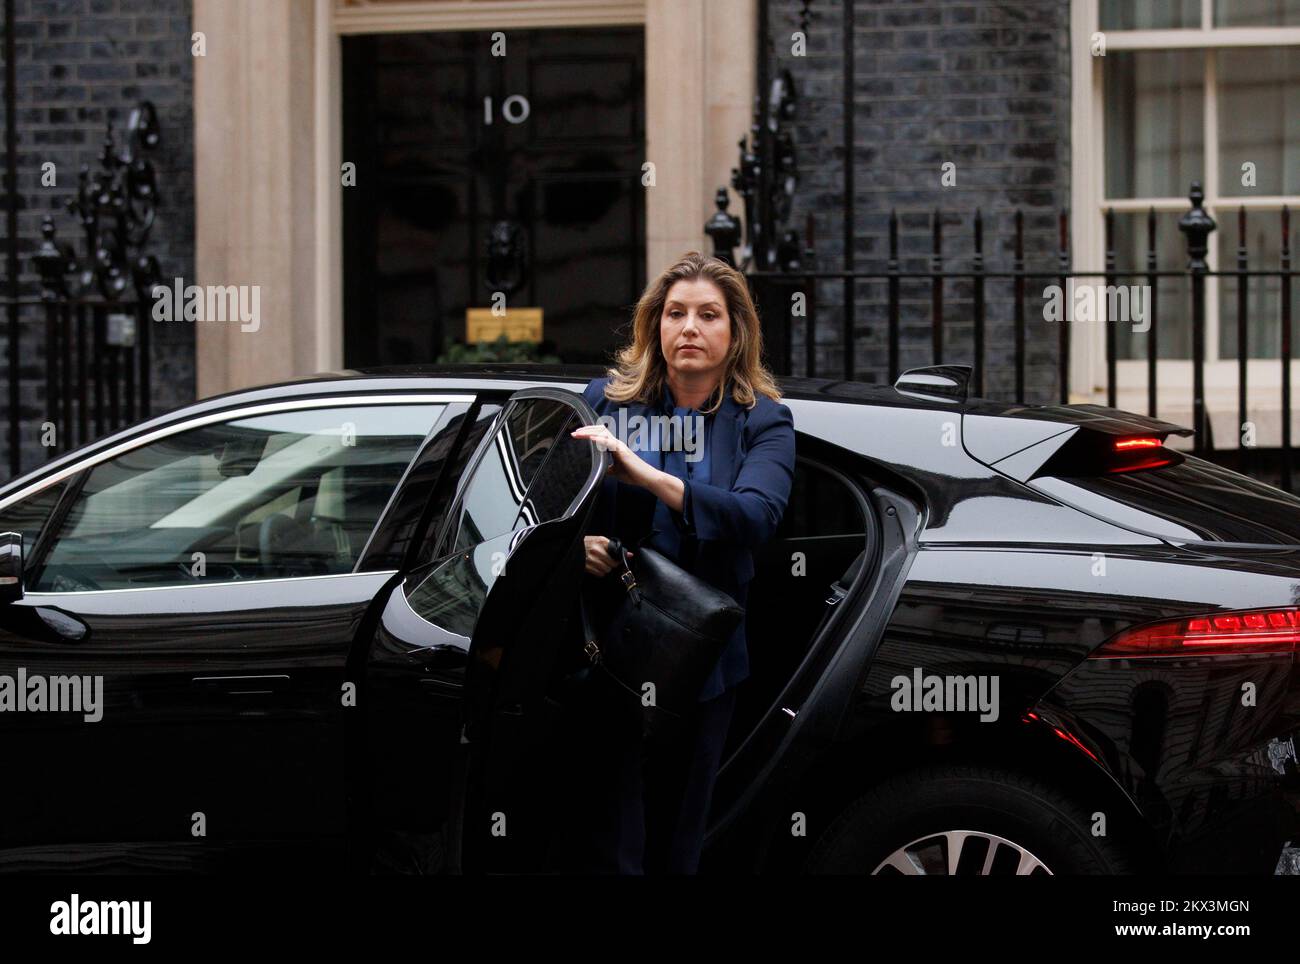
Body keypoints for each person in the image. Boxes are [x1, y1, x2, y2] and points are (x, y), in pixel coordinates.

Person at [561, 250, 795, 874]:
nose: (689, 327)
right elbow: (559, 504)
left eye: (708, 314)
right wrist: (577, 547)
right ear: (655, 325)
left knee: (680, 831)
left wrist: (646, 474)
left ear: (735, 330)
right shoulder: (606, 402)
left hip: (706, 655)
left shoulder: (762, 421)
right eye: (675, 313)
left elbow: (756, 517)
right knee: (614, 835)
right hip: (615, 643)